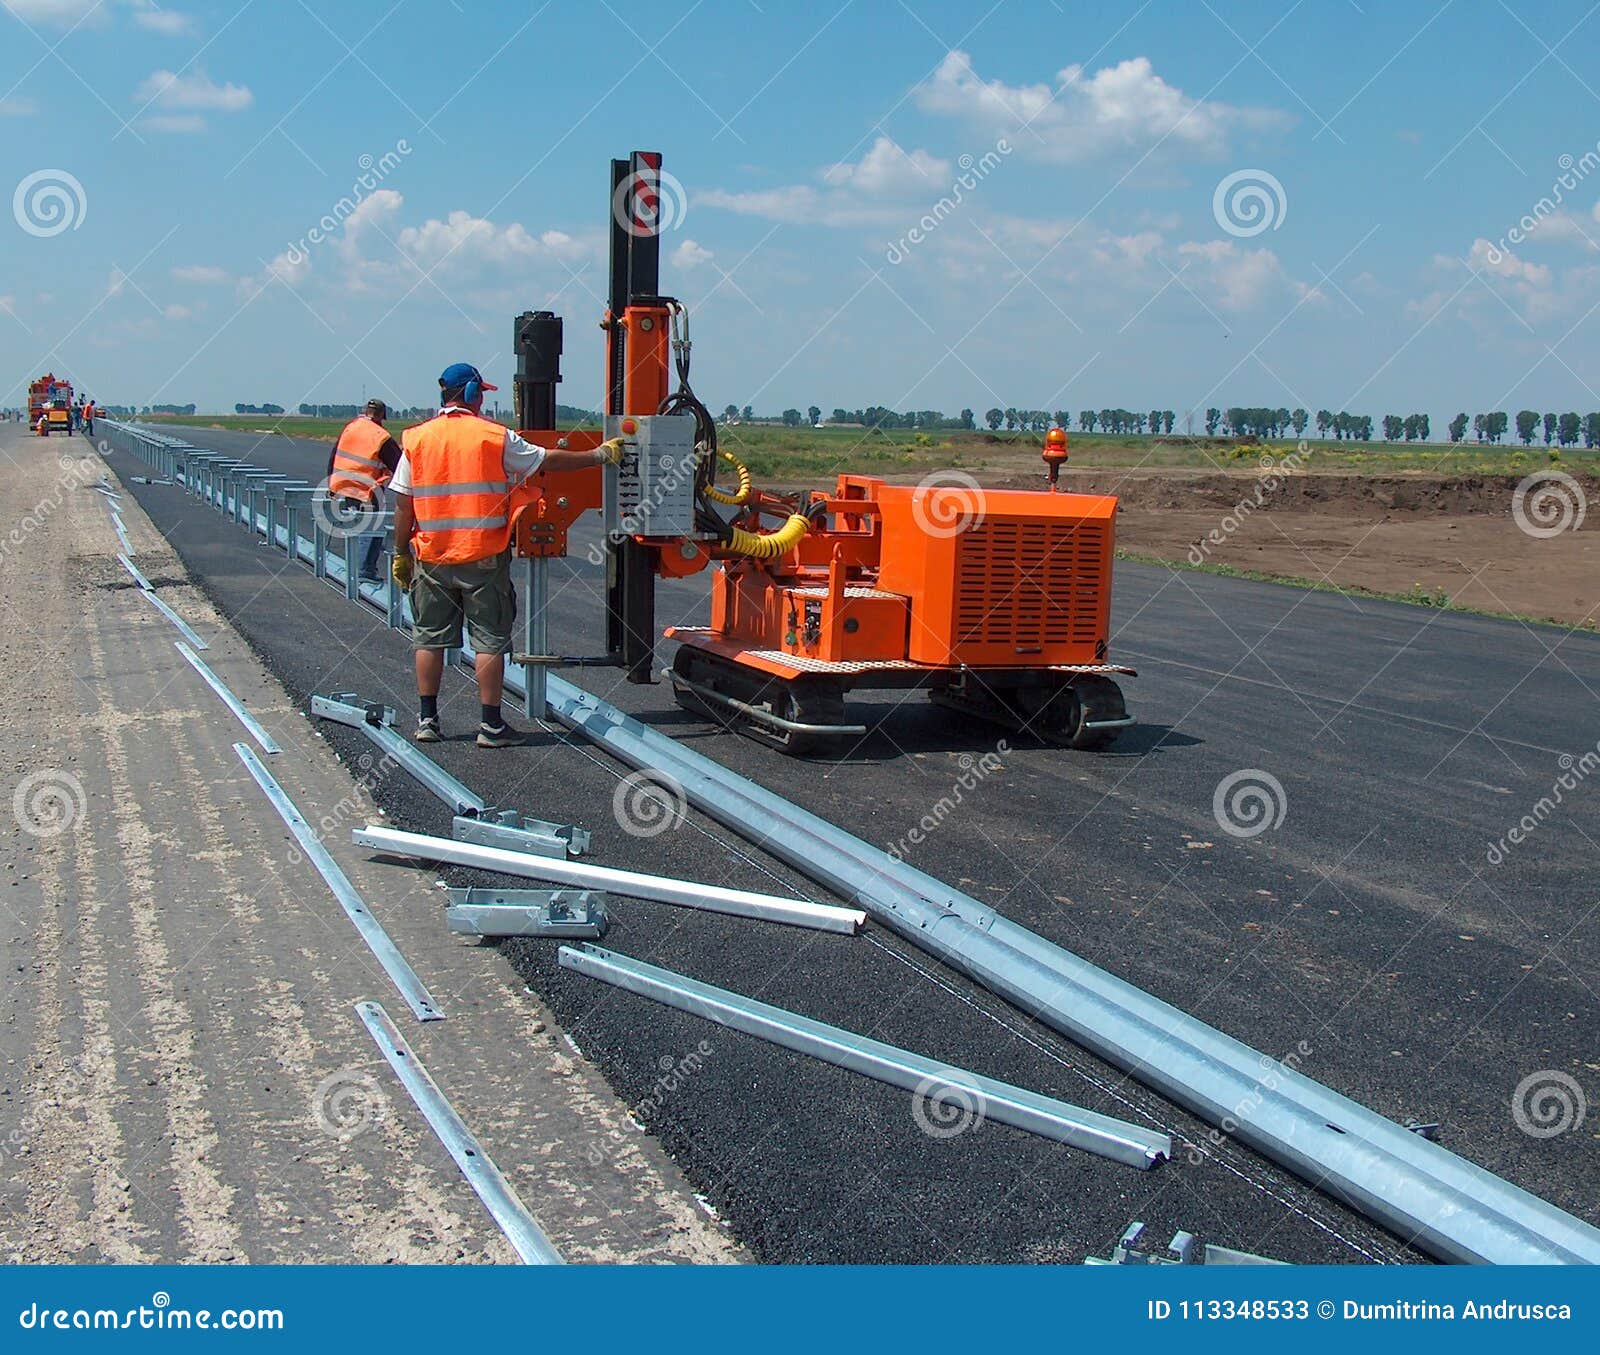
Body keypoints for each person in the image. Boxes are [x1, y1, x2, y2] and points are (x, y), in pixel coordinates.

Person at [390, 362, 623, 747]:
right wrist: (597, 456)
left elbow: (403, 504)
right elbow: (547, 459)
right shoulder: (493, 436)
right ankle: (491, 726)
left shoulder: (417, 439)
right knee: (489, 640)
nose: (482, 399)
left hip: (432, 557)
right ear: (470, 394)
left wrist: (401, 553)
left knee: (428, 638)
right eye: (480, 393)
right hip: (483, 555)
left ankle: (427, 720)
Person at [327, 399, 401, 582]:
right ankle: (365, 571)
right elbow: (399, 465)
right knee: (372, 529)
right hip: (366, 490)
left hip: (343, 486)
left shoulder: (351, 427)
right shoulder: (380, 436)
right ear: (381, 416)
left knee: (355, 527)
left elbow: (334, 456)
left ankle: (354, 568)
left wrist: (331, 484)